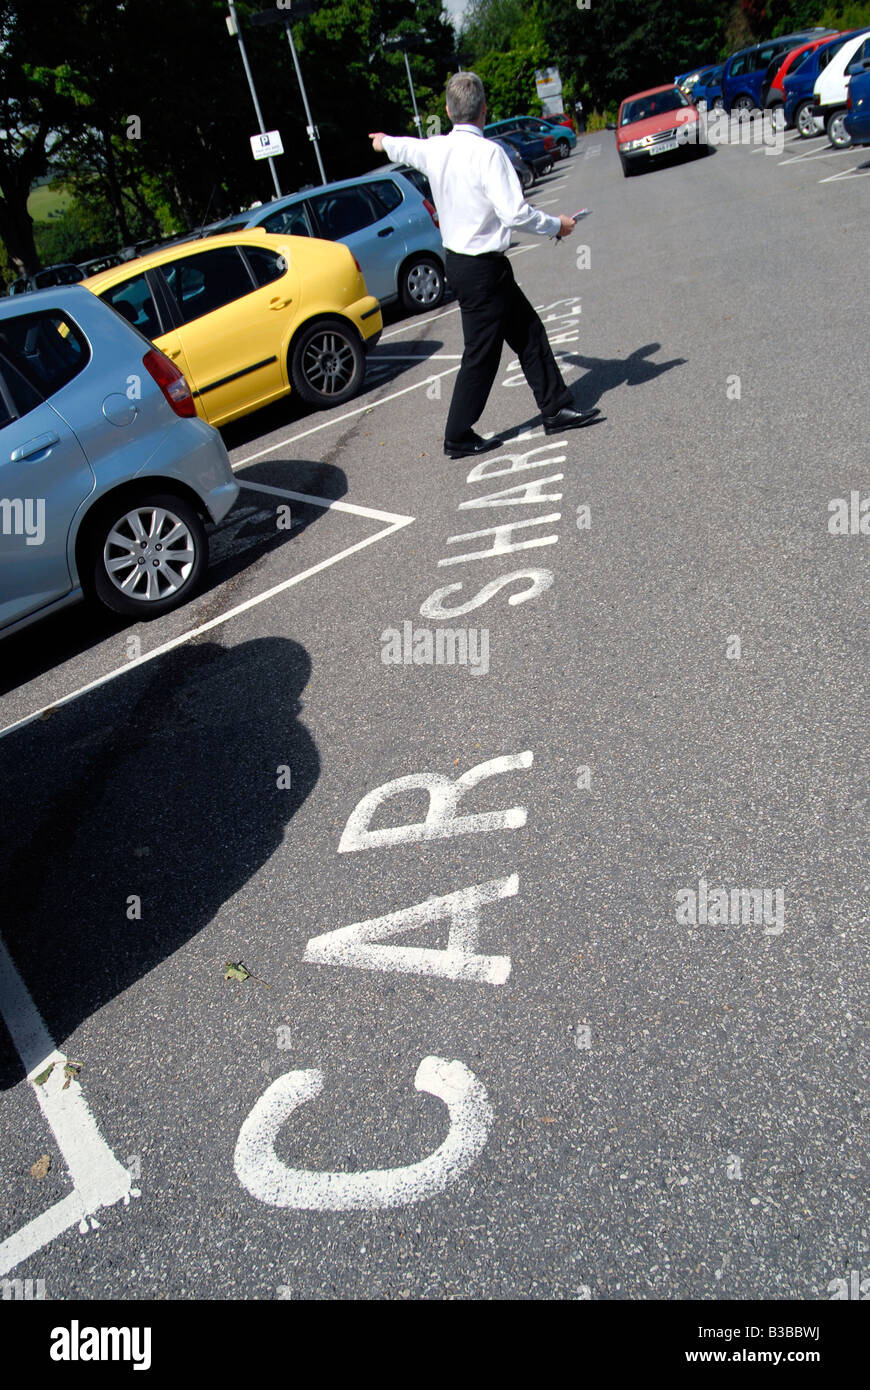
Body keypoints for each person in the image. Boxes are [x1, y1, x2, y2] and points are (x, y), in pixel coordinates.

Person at [369, 71, 600, 460]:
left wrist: (382, 142)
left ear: (447, 110)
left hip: (463, 265)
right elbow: (514, 213)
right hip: (482, 270)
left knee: (528, 332)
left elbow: (403, 147)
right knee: (481, 353)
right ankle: (457, 435)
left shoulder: (435, 149)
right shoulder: (489, 154)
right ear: (484, 110)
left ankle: (555, 407)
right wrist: (557, 226)